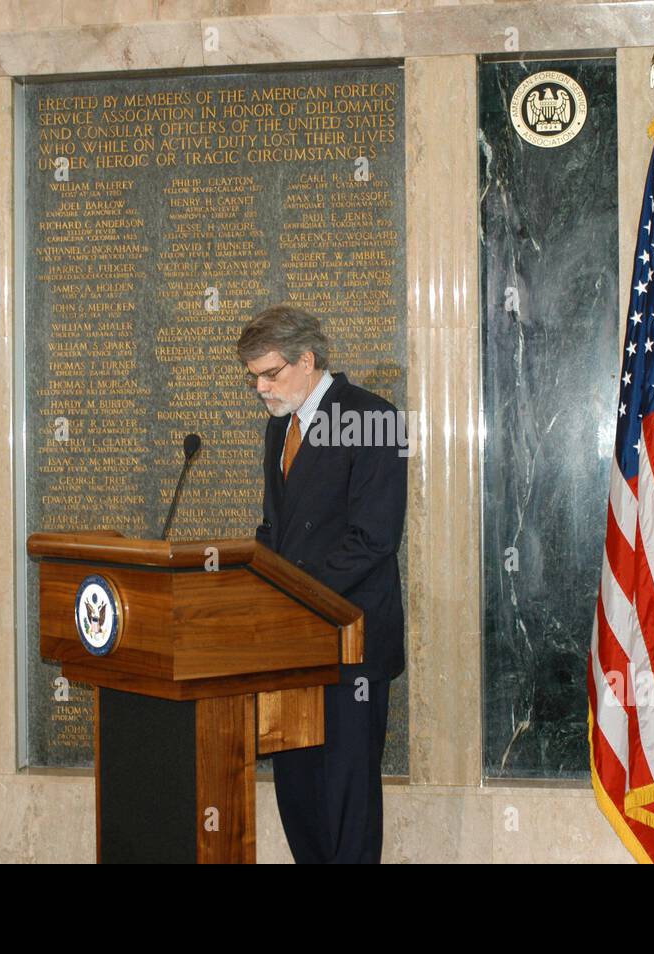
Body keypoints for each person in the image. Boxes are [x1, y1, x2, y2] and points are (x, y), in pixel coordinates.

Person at [236, 305, 406, 864]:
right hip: (292, 647)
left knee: (346, 801)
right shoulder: (279, 426)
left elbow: (374, 539)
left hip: (349, 644)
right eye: (254, 378)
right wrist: (252, 582)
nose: (261, 388)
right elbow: (275, 528)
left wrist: (293, 594)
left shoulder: (373, 418)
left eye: (270, 374)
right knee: (299, 793)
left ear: (307, 360)